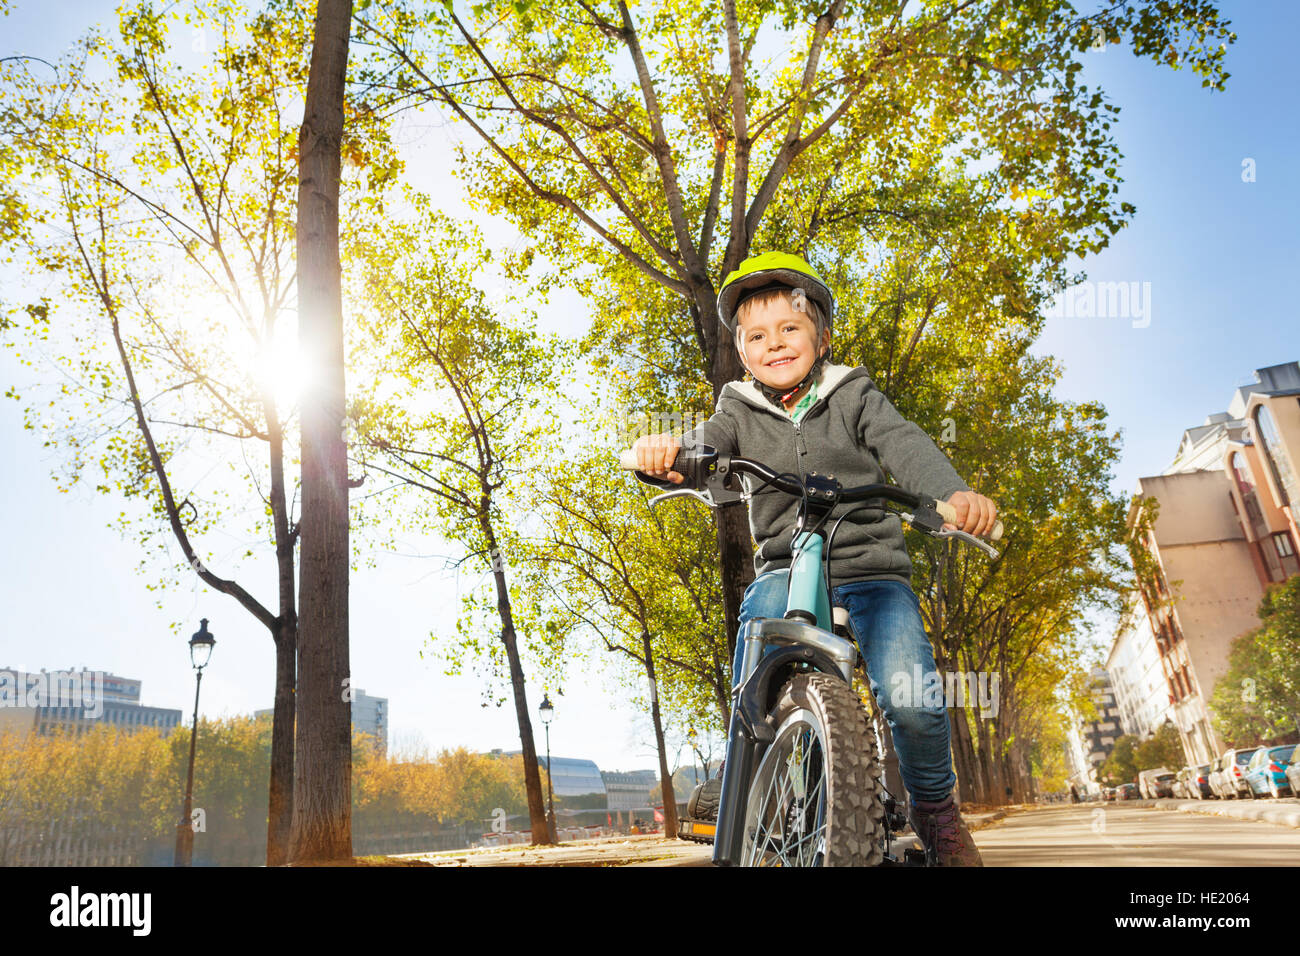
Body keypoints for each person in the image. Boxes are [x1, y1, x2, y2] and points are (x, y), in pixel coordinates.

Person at [630, 251, 998, 866]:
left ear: (821, 336)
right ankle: (753, 769)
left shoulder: (852, 394)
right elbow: (706, 447)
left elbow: (902, 442)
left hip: (870, 568)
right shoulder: (736, 410)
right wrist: (669, 453)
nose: (775, 344)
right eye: (757, 336)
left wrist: (950, 493)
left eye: (790, 328)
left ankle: (936, 812)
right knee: (758, 644)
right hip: (787, 569)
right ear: (743, 353)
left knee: (912, 695)